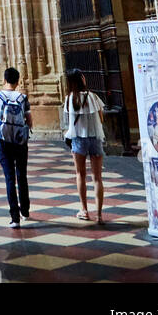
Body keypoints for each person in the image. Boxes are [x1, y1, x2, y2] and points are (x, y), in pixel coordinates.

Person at [0, 66, 33, 228]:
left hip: (4, 141)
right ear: (18, 80)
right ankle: (25, 211)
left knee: (10, 178)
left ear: (4, 80)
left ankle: (14, 217)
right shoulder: (23, 97)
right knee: (22, 175)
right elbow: (29, 121)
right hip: (21, 141)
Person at [62, 69, 105, 223]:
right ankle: (99, 215)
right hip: (95, 138)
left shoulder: (68, 99)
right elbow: (101, 118)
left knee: (80, 174)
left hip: (78, 139)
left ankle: (84, 210)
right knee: (97, 177)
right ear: (81, 79)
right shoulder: (93, 97)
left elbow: (67, 123)